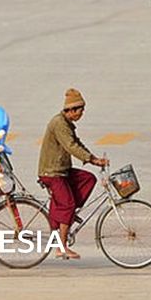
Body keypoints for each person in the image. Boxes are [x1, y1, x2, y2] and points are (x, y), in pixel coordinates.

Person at [38, 88, 109, 260]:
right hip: (52, 172)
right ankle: (61, 247)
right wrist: (92, 160)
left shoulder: (67, 124)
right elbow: (71, 146)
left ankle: (66, 215)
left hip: (63, 170)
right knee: (67, 205)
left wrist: (94, 158)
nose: (81, 114)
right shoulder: (59, 124)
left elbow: (77, 143)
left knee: (87, 179)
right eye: (80, 110)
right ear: (70, 110)